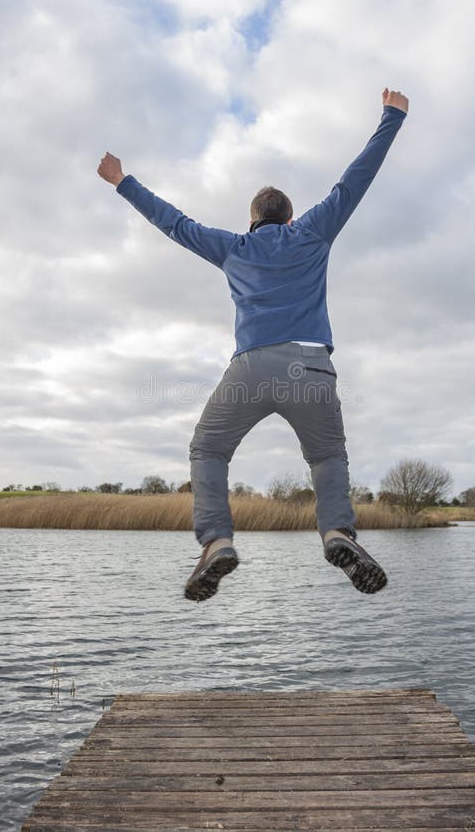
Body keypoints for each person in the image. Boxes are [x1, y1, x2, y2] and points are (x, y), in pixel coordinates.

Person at [98, 87, 409, 602]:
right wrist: (391, 117)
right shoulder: (312, 232)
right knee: (328, 457)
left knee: (209, 448)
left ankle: (217, 541)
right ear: (289, 218)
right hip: (312, 368)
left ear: (252, 221)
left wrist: (122, 181)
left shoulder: (233, 248)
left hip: (251, 369)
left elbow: (174, 223)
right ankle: (337, 533)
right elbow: (355, 180)